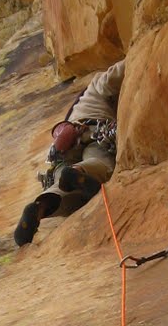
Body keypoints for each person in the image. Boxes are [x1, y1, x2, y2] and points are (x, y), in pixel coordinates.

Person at [13, 59, 125, 246]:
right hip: (93, 132)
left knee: (70, 195)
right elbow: (112, 78)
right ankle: (79, 172)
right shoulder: (95, 86)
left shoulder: (74, 110)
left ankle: (42, 207)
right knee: (101, 164)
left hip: (61, 152)